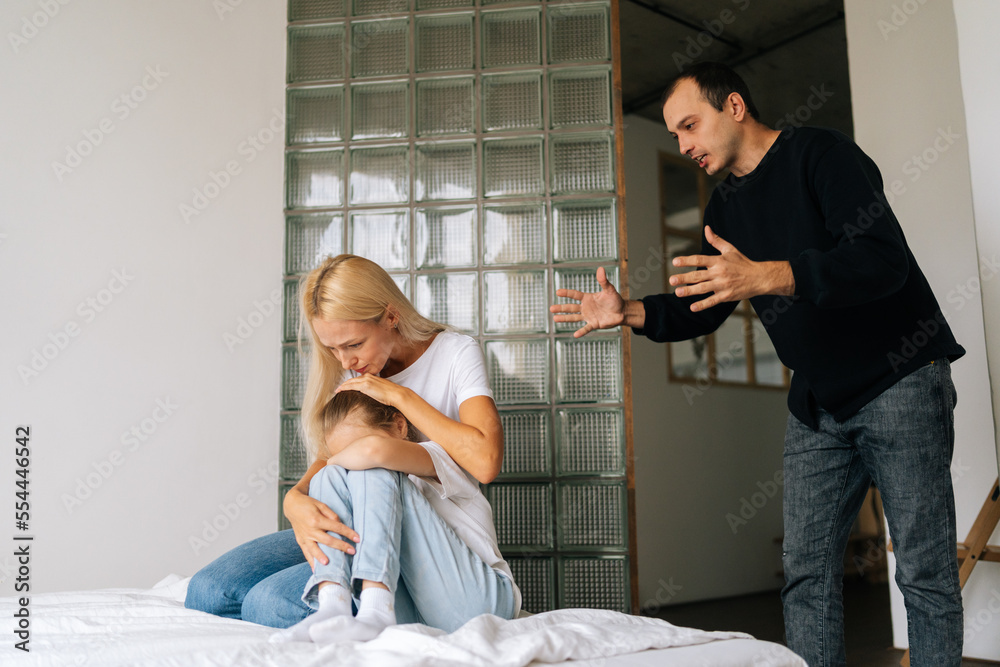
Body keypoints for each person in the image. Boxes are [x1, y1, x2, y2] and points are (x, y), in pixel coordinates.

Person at [551, 62, 965, 667]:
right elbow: (703, 303)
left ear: (735, 108)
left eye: (690, 125)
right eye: (675, 136)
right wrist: (629, 310)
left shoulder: (823, 155)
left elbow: (882, 261)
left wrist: (768, 275)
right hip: (819, 404)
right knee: (806, 575)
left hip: (900, 379)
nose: (685, 143)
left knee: (924, 571)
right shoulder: (726, 207)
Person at [186, 254, 506, 629]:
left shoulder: (453, 353)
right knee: (209, 591)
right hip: (360, 525)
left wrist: (397, 395)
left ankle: (374, 602)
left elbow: (485, 462)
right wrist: (296, 502)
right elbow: (326, 467)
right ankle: (352, 597)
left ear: (390, 316)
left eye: (353, 344)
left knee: (268, 603)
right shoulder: (355, 374)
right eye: (333, 349)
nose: (345, 360)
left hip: (437, 546)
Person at [270, 389, 519, 643]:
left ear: (400, 426)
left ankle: (378, 606)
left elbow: (373, 451)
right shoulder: (357, 485)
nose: (349, 463)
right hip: (413, 612)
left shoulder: (438, 456)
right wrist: (327, 477)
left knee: (372, 469)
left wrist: (332, 464)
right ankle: (334, 603)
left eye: (353, 450)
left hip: (481, 601)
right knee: (325, 477)